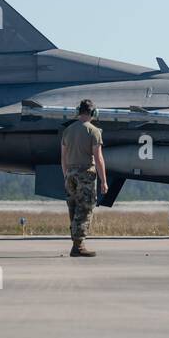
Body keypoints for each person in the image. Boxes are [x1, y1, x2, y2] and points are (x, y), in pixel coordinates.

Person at [60, 99, 107, 258]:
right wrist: (104, 181)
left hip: (70, 174)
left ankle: (76, 243)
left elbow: (63, 157)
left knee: (73, 208)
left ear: (78, 112)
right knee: (85, 208)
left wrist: (66, 174)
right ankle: (78, 246)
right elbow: (98, 158)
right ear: (93, 113)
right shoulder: (94, 131)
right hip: (85, 174)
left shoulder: (67, 130)